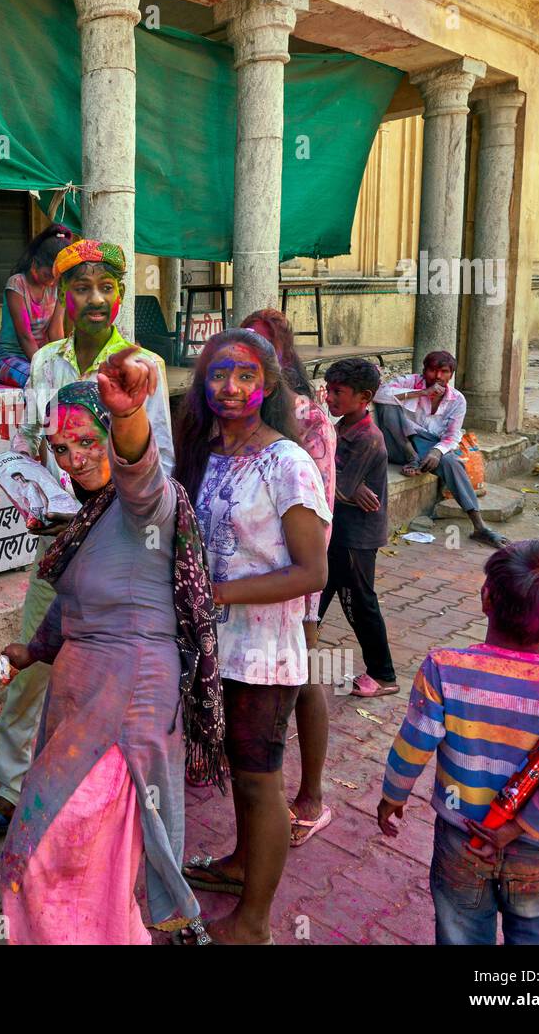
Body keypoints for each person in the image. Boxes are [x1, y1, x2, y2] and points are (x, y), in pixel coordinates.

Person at [0, 356, 224, 944]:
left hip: (128, 702)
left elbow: (140, 474)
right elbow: (70, 602)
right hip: (78, 697)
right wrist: (31, 651)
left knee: (61, 843)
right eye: (62, 448)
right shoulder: (87, 517)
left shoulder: (149, 503)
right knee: (83, 849)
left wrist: (129, 421)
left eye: (87, 440)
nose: (75, 459)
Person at [0, 238, 175, 839]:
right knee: (30, 663)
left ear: (121, 293)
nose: (96, 299)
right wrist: (31, 498)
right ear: (63, 295)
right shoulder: (47, 362)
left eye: (107, 287)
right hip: (55, 542)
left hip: (124, 548)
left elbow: (162, 463)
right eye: (81, 287)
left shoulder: (142, 366)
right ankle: (9, 786)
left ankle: (106, 796)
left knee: (110, 673)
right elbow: (30, 442)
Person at [175, 328, 330, 944]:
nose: (231, 388)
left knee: (261, 778)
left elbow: (311, 571)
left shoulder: (286, 462)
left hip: (263, 650)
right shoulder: (203, 453)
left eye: (245, 376)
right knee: (242, 771)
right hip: (214, 647)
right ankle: (241, 865)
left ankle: (255, 925)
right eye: (218, 375)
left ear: (267, 386)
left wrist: (217, 594)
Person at [377, 541, 539, 945]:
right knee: (529, 925)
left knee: (461, 925)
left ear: (486, 598)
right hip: (535, 845)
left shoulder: (445, 667)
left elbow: (415, 743)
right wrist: (520, 827)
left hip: (462, 837)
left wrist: (394, 795)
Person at [241, 308, 336, 848]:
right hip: (247, 578)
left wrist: (303, 587)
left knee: (302, 678)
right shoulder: (234, 411)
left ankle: (312, 795)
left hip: (292, 578)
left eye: (259, 349)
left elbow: (316, 507)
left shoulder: (306, 416)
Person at [374, 350, 508, 548]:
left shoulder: (457, 400)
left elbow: (452, 436)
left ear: (451, 374)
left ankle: (479, 526)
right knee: (389, 403)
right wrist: (421, 393)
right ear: (424, 371)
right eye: (432, 371)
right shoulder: (411, 382)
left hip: (428, 446)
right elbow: (379, 394)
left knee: (451, 462)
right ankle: (413, 458)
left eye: (444, 372)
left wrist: (437, 452)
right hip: (398, 445)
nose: (437, 377)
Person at [320, 359, 397, 697]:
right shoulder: (341, 428)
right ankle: (288, 659)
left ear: (364, 397)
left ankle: (383, 674)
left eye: (338, 392)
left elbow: (330, 483)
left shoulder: (367, 438)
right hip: (339, 530)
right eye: (329, 389)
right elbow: (340, 486)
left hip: (356, 537)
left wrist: (347, 488)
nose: (329, 397)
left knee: (359, 602)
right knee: (317, 593)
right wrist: (348, 489)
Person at [0, 224, 71, 388]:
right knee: (40, 381)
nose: (52, 281)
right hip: (9, 358)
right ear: (34, 265)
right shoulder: (17, 284)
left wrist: (64, 363)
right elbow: (24, 336)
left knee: (69, 379)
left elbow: (55, 331)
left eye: (57, 277)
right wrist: (44, 368)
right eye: (48, 275)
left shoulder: (59, 287)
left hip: (41, 358)